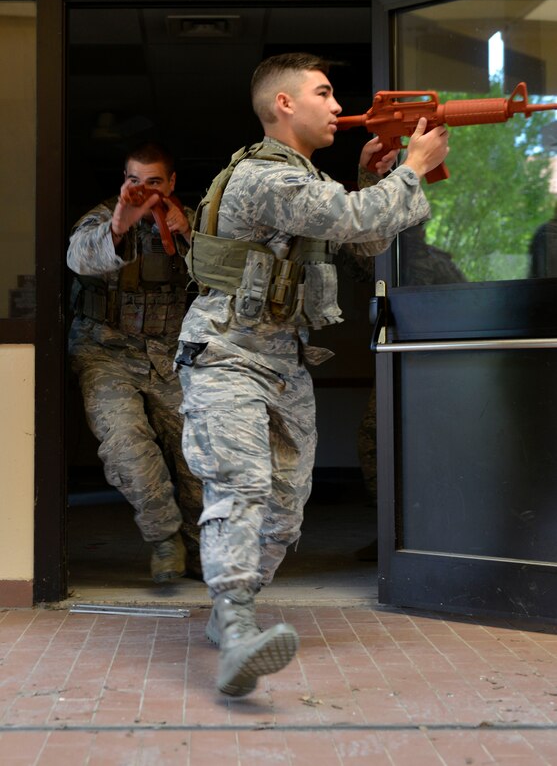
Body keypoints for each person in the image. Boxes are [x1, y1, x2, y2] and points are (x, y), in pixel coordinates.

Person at [175, 52, 449, 697]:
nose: (336, 105)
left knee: (285, 515)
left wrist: (371, 175)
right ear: (284, 105)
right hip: (226, 355)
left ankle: (228, 612)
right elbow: (356, 218)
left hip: (283, 362)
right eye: (323, 93)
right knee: (241, 486)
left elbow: (362, 243)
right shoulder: (263, 176)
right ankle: (238, 624)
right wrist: (411, 167)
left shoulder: (305, 180)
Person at [67, 141, 203, 584]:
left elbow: (232, 274)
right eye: (133, 180)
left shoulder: (197, 218)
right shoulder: (103, 215)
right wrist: (118, 229)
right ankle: (165, 540)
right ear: (122, 180)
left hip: (173, 357)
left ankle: (203, 548)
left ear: (172, 182)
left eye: (154, 182)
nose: (143, 190)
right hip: (105, 352)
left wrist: (189, 236)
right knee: (128, 450)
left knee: (198, 458)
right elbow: (78, 258)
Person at [342, 223, 466, 561]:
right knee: (376, 439)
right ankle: (392, 537)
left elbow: (465, 306)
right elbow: (357, 257)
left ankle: (430, 537)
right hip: (398, 360)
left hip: (437, 369)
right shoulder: (387, 255)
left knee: (431, 448)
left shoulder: (436, 262)